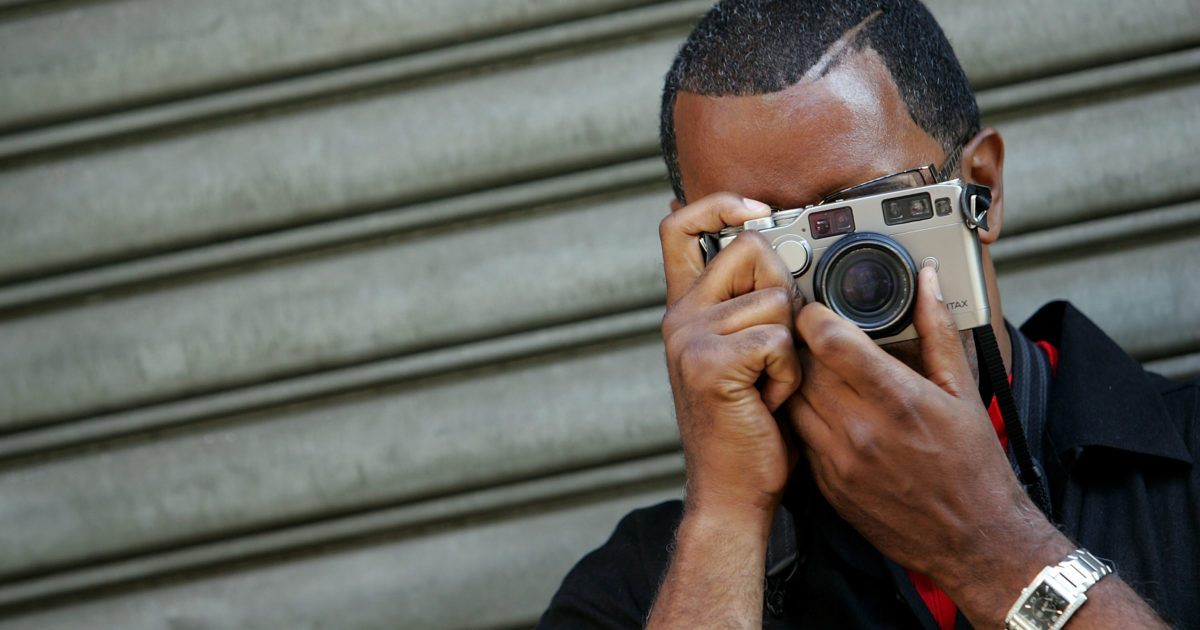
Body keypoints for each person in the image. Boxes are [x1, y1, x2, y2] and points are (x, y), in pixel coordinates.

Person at [539, 1, 1199, 628]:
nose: (833, 285)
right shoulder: (639, 589)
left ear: (982, 188)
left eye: (866, 216)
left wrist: (991, 545)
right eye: (766, 239)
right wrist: (727, 518)